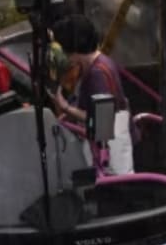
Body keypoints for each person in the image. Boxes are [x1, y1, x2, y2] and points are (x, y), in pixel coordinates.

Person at [49, 14, 135, 176]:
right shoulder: (102, 62)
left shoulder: (97, 74)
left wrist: (65, 107)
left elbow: (102, 121)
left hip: (108, 160)